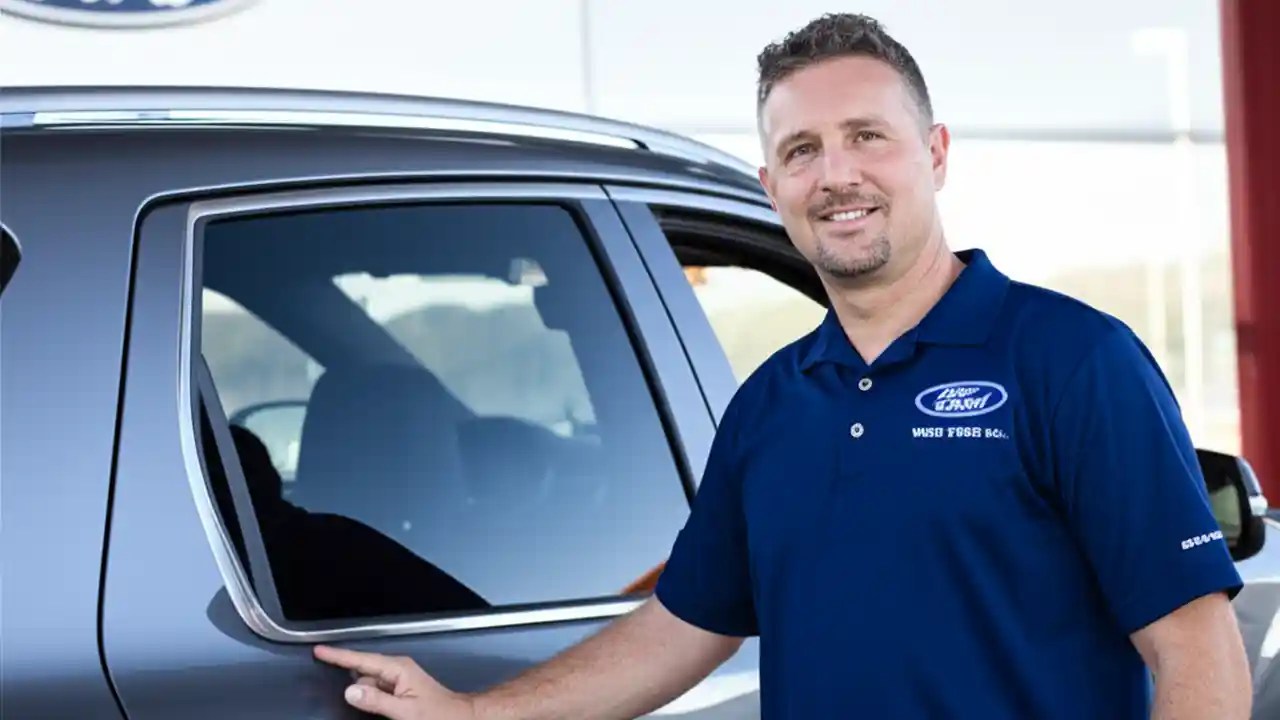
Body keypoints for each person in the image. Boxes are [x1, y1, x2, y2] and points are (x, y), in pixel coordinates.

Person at [313, 13, 1253, 719]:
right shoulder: (770, 404)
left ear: (935, 154)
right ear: (771, 187)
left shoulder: (1072, 361)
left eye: (867, 136)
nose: (836, 174)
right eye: (802, 151)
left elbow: (1199, 656)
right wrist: (477, 713)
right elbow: (684, 627)